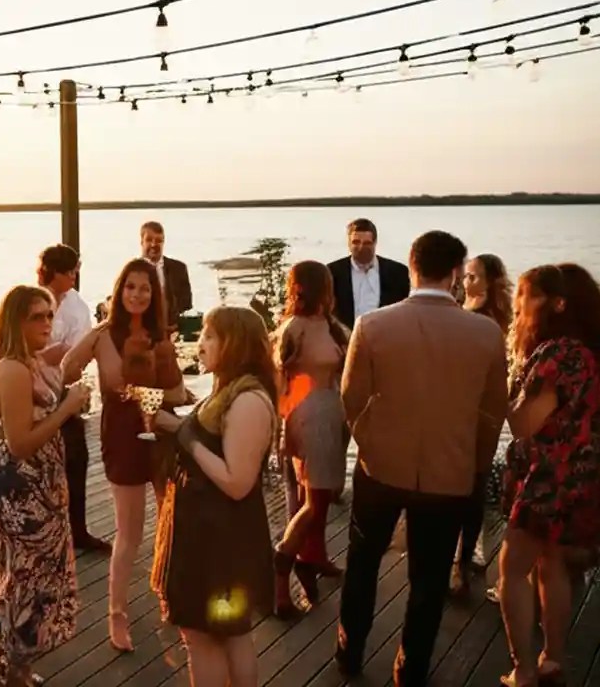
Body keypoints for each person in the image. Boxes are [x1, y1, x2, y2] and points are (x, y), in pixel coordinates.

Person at [335, 230, 507, 686]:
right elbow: (494, 413)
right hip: (450, 474)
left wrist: (370, 442)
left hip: (379, 469)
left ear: (411, 267)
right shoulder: (487, 333)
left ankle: (349, 651)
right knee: (429, 578)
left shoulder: (373, 325)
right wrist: (475, 463)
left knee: (363, 563)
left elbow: (350, 400)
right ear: (455, 273)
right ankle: (410, 668)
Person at [498, 264, 600, 686]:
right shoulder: (589, 352)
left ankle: (523, 669)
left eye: (526, 296)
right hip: (584, 473)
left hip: (551, 477)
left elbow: (525, 424)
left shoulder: (556, 354)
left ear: (558, 303)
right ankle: (553, 658)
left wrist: (503, 390)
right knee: (554, 565)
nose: (518, 306)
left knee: (512, 569)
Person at [61, 259, 186, 652]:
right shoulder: (103, 335)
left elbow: (180, 394)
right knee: (129, 532)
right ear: (120, 291)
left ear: (154, 295)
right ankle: (117, 613)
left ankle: (169, 592)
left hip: (161, 435)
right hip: (122, 435)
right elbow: (66, 370)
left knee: (172, 522)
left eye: (145, 288)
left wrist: (144, 395)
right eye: (130, 287)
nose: (137, 294)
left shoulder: (160, 336)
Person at [152, 306, 279, 687]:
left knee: (211, 636)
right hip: (206, 533)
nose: (200, 343)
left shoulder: (248, 400)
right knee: (218, 633)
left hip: (221, 541)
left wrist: (185, 437)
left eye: (209, 336)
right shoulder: (226, 389)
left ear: (234, 344)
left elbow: (237, 481)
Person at [0, 285, 88, 687]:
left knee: (35, 580)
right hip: (19, 491)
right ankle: (12, 671)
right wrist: (67, 408)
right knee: (23, 582)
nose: (47, 322)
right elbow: (20, 442)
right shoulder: (10, 367)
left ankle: (18, 667)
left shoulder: (30, 361)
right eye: (36, 317)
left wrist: (57, 364)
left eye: (49, 314)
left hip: (46, 485)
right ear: (15, 322)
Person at [271, 261, 349, 615]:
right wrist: (278, 428)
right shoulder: (294, 328)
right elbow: (278, 382)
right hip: (307, 415)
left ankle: (314, 556)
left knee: (320, 495)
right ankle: (284, 563)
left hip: (332, 413)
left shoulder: (331, 328)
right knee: (314, 501)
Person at [36, 243, 110, 552]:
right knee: (35, 463)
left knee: (76, 458)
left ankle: (77, 530)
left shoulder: (77, 306)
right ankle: (41, 531)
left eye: (76, 270)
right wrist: (44, 356)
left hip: (63, 388)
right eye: (71, 272)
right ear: (54, 272)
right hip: (28, 387)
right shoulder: (29, 298)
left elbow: (79, 351)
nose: (75, 276)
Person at [452, 253, 513, 596]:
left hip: (474, 414)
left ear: (489, 282)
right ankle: (463, 557)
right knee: (469, 486)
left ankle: (459, 564)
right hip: (470, 412)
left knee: (468, 487)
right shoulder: (473, 314)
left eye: (473, 277)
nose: (465, 282)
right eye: (466, 276)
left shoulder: (485, 320)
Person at [327, 218, 411, 329]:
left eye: (367, 243)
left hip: (387, 336)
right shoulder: (332, 272)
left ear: (375, 243)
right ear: (348, 243)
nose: (361, 248)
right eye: (356, 242)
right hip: (346, 340)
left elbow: (405, 310)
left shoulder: (398, 272)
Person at [141, 221, 193, 333]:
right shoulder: (132, 269)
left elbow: (186, 304)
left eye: (158, 241)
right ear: (142, 242)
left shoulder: (179, 268)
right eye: (149, 240)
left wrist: (176, 325)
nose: (154, 245)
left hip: (173, 332)